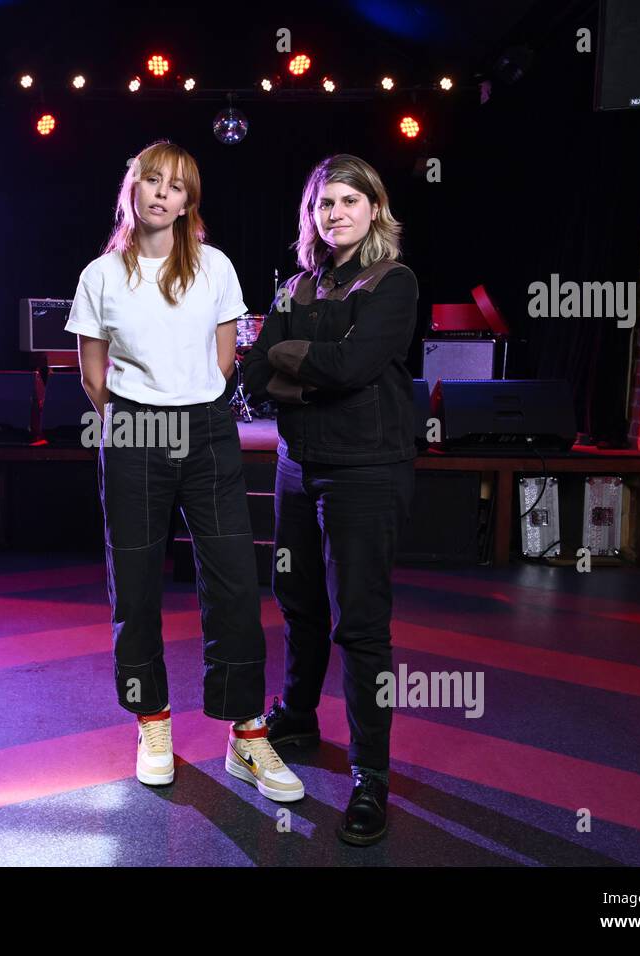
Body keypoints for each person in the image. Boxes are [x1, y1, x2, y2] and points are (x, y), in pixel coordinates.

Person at [65, 140, 304, 803]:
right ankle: (152, 723)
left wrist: (188, 405)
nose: (161, 193)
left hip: (206, 428)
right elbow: (92, 374)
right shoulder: (101, 276)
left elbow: (225, 360)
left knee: (233, 579)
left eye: (176, 185)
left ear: (188, 201)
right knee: (136, 583)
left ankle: (247, 734)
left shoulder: (217, 268)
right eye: (150, 180)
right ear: (131, 189)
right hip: (135, 430)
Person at [240, 154, 419, 844]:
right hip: (297, 466)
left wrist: (294, 362)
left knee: (362, 626)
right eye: (323, 204)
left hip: (366, 473)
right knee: (299, 604)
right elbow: (255, 372)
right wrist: (300, 367)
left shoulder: (393, 283)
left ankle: (370, 773)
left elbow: (354, 366)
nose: (334, 213)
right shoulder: (296, 286)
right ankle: (299, 712)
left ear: (375, 208)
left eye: (348, 200)